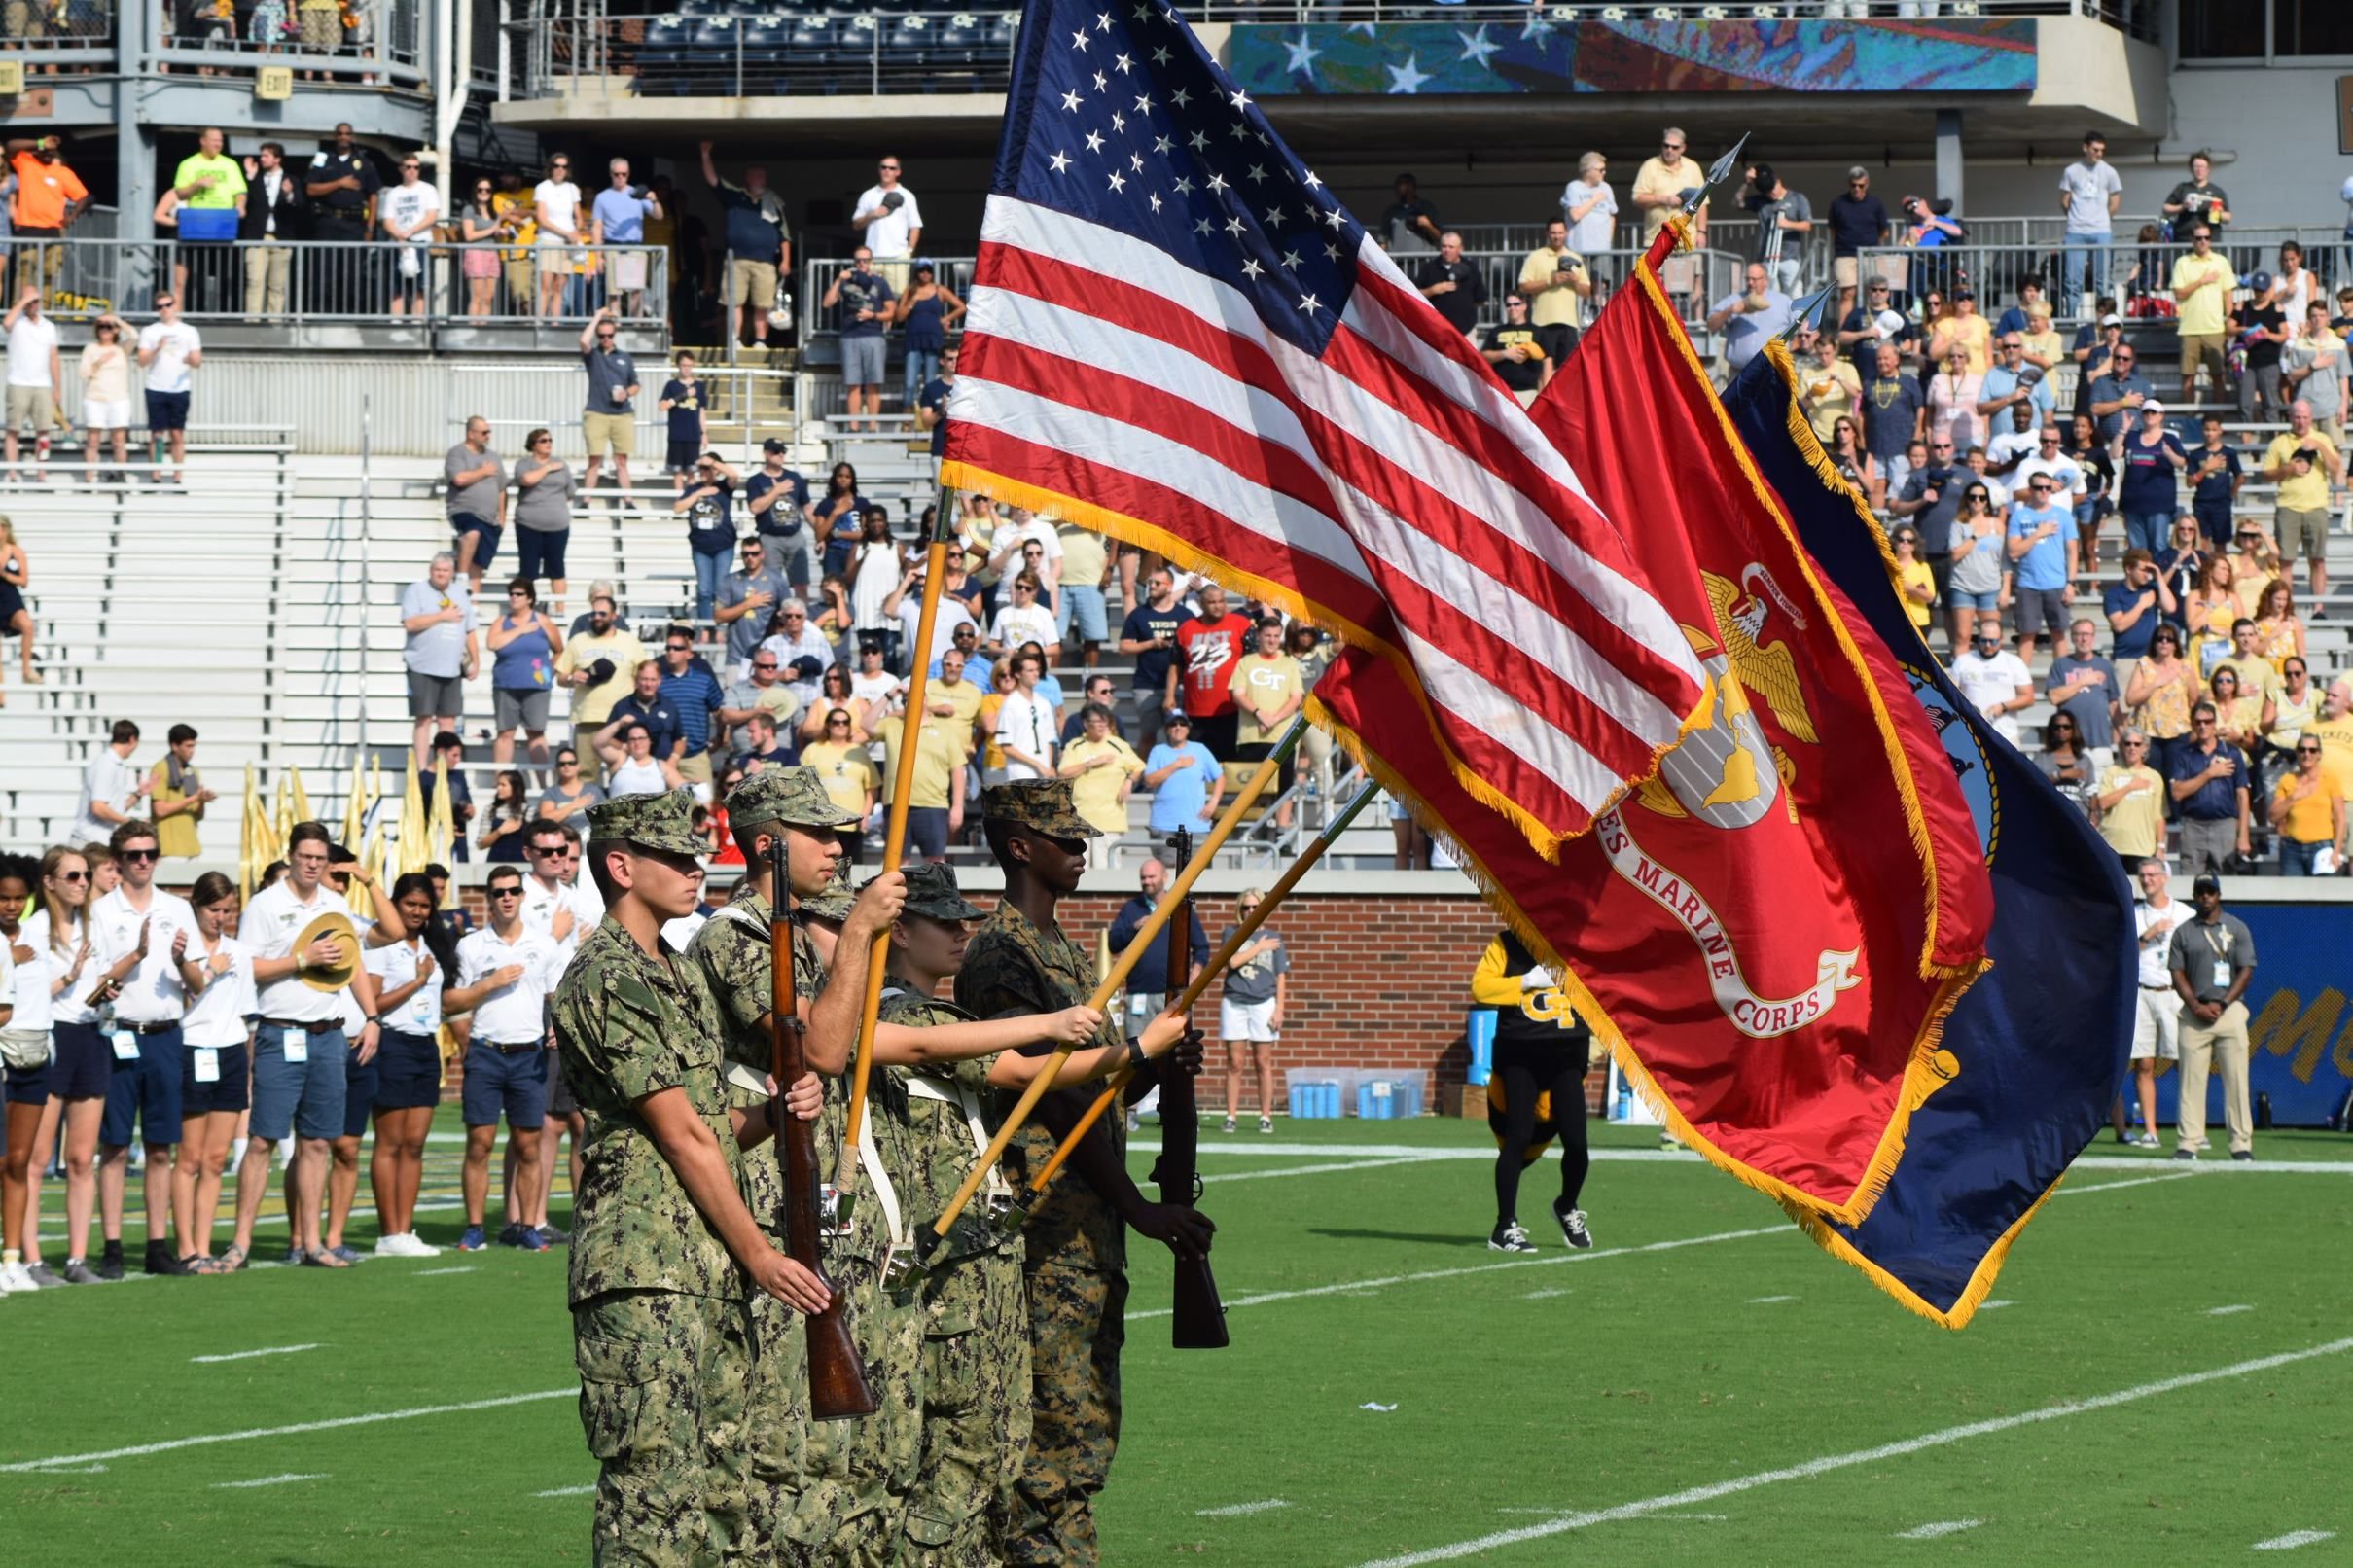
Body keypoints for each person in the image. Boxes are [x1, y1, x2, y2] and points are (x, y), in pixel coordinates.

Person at [554, 788, 834, 1562]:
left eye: (696, 856)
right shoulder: (607, 975)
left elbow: (711, 1127)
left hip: (704, 1260)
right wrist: (761, 1254)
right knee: (655, 1496)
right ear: (620, 866)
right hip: (645, 1266)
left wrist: (775, 1113)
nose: (695, 869)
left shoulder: (675, 972)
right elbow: (680, 1136)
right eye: (675, 858)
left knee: (721, 1491)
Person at [959, 779, 1213, 1567]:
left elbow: (1099, 1092)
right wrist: (1137, 1205)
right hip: (1044, 1219)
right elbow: (1051, 1093)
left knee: (1086, 1421)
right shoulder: (1001, 954)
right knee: (1052, 1430)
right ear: (1018, 847)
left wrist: (1154, 1067)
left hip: (1085, 1222)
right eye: (1064, 840)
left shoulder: (1066, 950)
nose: (1080, 851)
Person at [231, 822, 379, 1270]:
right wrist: (302, 959)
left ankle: (313, 1244)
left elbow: (353, 965)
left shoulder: (336, 903)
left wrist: (372, 1018)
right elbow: (247, 968)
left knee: (317, 1143)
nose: (313, 865)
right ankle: (240, 1244)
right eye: (306, 857)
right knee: (263, 1139)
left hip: (329, 1034)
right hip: (281, 1032)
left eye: (320, 859)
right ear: (291, 856)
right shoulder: (265, 904)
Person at [85, 821, 195, 1276]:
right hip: (117, 1033)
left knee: (161, 1148)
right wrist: (130, 959)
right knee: (113, 1147)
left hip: (166, 1033)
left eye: (150, 853)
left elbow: (196, 980)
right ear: (118, 861)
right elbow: (93, 981)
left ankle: (156, 1245)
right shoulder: (100, 911)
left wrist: (183, 960)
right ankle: (112, 1246)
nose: (144, 861)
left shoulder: (178, 908)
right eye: (134, 854)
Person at [444, 864, 560, 1251]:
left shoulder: (544, 944)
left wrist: (557, 1027)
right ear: (489, 899)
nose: (506, 898)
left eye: (512, 891)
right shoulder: (471, 945)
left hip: (529, 1055)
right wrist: (490, 983)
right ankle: (475, 1227)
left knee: (528, 1145)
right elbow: (451, 1001)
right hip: (486, 1052)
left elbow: (556, 996)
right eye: (499, 892)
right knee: (480, 1143)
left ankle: (527, 1225)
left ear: (523, 896)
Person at [1471, 928, 1594, 1254]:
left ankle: (1567, 1205)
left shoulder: (1577, 943)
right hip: (1521, 1055)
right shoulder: (1508, 943)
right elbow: (1480, 988)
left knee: (1578, 1143)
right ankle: (1504, 1226)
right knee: (1518, 1138)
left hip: (1566, 1056)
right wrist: (1525, 981)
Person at [356, 871, 446, 1258]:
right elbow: (373, 1002)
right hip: (393, 1044)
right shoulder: (382, 944)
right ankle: (388, 1232)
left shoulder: (430, 943)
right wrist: (417, 982)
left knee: (414, 1144)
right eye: (410, 903)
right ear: (395, 904)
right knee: (390, 1142)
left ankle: (405, 1231)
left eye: (424, 905)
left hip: (426, 1046)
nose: (417, 911)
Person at [2167, 873, 2256, 1162]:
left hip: (2230, 1011)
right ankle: (2188, 1143)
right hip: (2195, 1015)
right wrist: (2195, 1005)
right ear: (2194, 896)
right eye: (2201, 891)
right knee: (2190, 1082)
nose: (2206, 896)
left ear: (2219, 894)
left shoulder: (2236, 928)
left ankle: (2241, 1144)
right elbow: (2177, 972)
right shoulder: (2184, 932)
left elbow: (2246, 970)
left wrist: (2224, 1002)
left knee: (2237, 1080)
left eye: (2210, 891)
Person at [0, 851, 54, 1292]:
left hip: (34, 1055)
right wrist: (7, 959)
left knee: (19, 1162)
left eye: (19, 898)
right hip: (2, 1055)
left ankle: (13, 1259)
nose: (11, 906)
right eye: (3, 897)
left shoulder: (41, 936)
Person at [2112, 858, 2191, 1149]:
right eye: (2142, 875)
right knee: (2143, 1062)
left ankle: (2192, 1128)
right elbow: (2122, 952)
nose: (2147, 880)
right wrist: (2148, 934)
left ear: (2165, 877)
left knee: (2185, 1062)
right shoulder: (2135, 914)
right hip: (2142, 992)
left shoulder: (2184, 913)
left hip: (2173, 992)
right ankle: (2151, 1130)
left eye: (2152, 875)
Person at [699, 140, 792, 348]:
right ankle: (735, 340)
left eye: (762, 176)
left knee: (763, 303)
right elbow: (713, 180)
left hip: (766, 262)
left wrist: (786, 261)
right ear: (747, 178)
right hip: (737, 260)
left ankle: (760, 341)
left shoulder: (773, 202)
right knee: (735, 301)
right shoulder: (735, 196)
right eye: (756, 175)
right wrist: (705, 154)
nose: (760, 179)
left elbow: (784, 234)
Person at [1106, 856, 1206, 1042]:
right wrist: (1134, 927)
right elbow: (1113, 944)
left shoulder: (1180, 908)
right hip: (1138, 996)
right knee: (1137, 1050)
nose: (1147, 882)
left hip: (1172, 996)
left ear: (1165, 877)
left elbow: (1202, 948)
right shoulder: (1131, 909)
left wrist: (1193, 977)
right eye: (1143, 878)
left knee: (1174, 1048)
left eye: (1151, 877)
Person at [1215, 888, 1288, 1135]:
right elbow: (1232, 961)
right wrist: (1259, 946)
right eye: (1246, 907)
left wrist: (1280, 1008)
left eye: (1255, 907)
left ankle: (1265, 1116)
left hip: (1263, 1002)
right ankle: (1231, 1116)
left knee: (1263, 1062)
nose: (1250, 911)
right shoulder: (1231, 933)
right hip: (1235, 1002)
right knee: (1235, 1062)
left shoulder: (1274, 937)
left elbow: (1281, 976)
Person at [2261, 401, 2342, 611]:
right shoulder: (2279, 442)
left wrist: (2320, 447)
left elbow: (2336, 469)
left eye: (2305, 417)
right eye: (2297, 417)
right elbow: (2266, 475)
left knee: (2318, 560)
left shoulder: (2322, 438)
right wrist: (2288, 469)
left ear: (2311, 418)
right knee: (2286, 561)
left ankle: (2318, 609)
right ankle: (2286, 610)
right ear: (2290, 417)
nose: (2301, 422)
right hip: (2288, 507)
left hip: (2316, 507)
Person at [400, 552, 479, 767]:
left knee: (448, 720)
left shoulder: (460, 593)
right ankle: (422, 769)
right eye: (437, 570)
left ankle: (445, 767)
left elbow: (470, 629)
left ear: (452, 573)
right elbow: (410, 623)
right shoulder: (416, 590)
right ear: (430, 571)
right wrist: (441, 617)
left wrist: (475, 660)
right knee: (423, 718)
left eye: (445, 570)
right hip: (421, 665)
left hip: (451, 667)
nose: (441, 574)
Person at [554, 593, 645, 758]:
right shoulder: (577, 641)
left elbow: (642, 677)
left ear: (614, 616)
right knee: (585, 771)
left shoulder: (630, 642)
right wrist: (571, 678)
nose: (597, 617)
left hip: (621, 718)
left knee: (623, 768)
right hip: (587, 719)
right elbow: (560, 677)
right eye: (593, 613)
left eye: (602, 613)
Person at [487, 577, 563, 769]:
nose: (514, 597)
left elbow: (559, 650)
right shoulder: (501, 622)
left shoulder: (543, 621)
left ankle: (542, 782)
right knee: (505, 733)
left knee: (536, 733)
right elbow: (492, 643)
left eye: (519, 594)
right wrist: (521, 629)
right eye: (511, 594)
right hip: (505, 685)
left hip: (536, 687)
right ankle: (501, 780)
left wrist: (548, 674)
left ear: (530, 598)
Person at [1170, 583, 1251, 760]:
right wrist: (1169, 695)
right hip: (1196, 708)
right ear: (1201, 604)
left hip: (1231, 707)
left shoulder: (1241, 624)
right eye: (1212, 602)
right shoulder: (1186, 628)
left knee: (1229, 758)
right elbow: (1175, 664)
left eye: (1221, 601)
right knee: (1198, 759)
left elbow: (1253, 662)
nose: (1218, 606)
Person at [2168, 703, 2251, 875]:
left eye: (2208, 721)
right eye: (2198, 722)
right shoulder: (2184, 754)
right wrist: (2209, 774)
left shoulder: (2232, 753)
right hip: (2193, 825)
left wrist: (2243, 835)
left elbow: (2243, 795)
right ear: (2192, 724)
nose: (2203, 726)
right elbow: (2177, 792)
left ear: (2215, 723)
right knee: (2189, 881)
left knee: (2227, 881)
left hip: (2225, 824)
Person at [826, 246, 898, 432]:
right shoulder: (845, 281)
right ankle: (854, 426)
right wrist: (838, 280)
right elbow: (827, 302)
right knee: (853, 383)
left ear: (871, 261)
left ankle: (872, 426)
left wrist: (872, 315)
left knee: (873, 383)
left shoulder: (880, 282)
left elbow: (891, 312)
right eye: (858, 260)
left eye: (865, 260)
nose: (861, 263)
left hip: (873, 335)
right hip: (849, 336)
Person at [135, 292, 202, 485]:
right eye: (160, 306)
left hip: (180, 388)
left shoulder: (189, 331)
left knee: (177, 434)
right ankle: (155, 476)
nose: (165, 309)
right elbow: (141, 361)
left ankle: (177, 477)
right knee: (157, 434)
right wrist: (157, 348)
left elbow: (197, 361)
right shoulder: (150, 331)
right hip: (156, 387)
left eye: (168, 305)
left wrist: (190, 359)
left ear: (175, 305)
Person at [578, 307, 641, 510]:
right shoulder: (593, 355)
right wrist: (597, 316)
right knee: (594, 459)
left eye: (610, 335)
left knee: (621, 460)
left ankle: (629, 502)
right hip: (597, 412)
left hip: (622, 414)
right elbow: (583, 341)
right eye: (602, 335)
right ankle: (586, 501)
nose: (606, 339)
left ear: (615, 335)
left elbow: (636, 384)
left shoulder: (625, 357)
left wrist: (626, 393)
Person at [510, 427, 577, 614]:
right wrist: (547, 468)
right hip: (529, 525)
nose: (548, 444)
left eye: (550, 440)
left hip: (558, 525)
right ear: (533, 444)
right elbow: (527, 480)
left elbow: (571, 491)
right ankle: (526, 610)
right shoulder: (524, 463)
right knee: (528, 569)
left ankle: (560, 611)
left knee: (557, 568)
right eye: (543, 440)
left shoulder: (561, 464)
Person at [2057, 130, 2122, 317]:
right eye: (2095, 149)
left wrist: (2103, 218)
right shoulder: (2071, 171)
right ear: (2085, 148)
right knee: (2072, 280)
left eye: (2102, 150)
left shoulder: (2110, 172)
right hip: (2076, 231)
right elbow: (2064, 200)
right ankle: (2071, 319)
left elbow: (2115, 200)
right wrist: (2076, 218)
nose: (2099, 154)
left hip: (2101, 231)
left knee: (2103, 280)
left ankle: (2105, 320)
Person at [657, 625, 728, 796]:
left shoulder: (704, 680)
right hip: (665, 757)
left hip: (696, 756)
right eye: (669, 648)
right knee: (666, 809)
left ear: (688, 653)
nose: (671, 651)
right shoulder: (658, 682)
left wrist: (720, 736)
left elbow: (719, 711)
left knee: (703, 805)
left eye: (677, 648)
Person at [672, 451, 740, 624]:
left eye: (706, 468)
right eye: (700, 468)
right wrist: (699, 494)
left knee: (719, 589)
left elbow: (734, 475)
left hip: (723, 546)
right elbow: (678, 508)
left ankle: (719, 625)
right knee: (704, 590)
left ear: (715, 470)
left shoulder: (724, 487)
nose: (702, 471)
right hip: (700, 547)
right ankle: (705, 627)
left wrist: (713, 463)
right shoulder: (693, 489)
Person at [3, 283, 62, 480]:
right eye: (29, 301)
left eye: (35, 300)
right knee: (13, 429)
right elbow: (6, 323)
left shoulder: (49, 327)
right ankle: (12, 472)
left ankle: (41, 472)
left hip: (42, 385)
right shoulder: (17, 322)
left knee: (43, 431)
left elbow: (54, 358)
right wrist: (23, 301)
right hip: (18, 383)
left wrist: (57, 387)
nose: (32, 304)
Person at [444, 415, 508, 595]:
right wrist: (484, 471)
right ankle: (461, 576)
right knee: (472, 532)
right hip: (464, 509)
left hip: (489, 517)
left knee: (478, 564)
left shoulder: (493, 457)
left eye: (489, 432)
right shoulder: (457, 453)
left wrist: (502, 517)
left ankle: (474, 604)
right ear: (471, 433)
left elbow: (501, 488)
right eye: (484, 432)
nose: (488, 436)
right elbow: (459, 479)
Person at [589, 158, 661, 318]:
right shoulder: (602, 197)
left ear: (629, 174)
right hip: (612, 247)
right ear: (611, 174)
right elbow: (597, 227)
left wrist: (655, 200)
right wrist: (598, 256)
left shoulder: (638, 193)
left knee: (636, 291)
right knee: (613, 293)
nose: (620, 177)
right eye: (617, 174)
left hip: (634, 246)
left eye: (624, 174)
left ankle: (636, 324)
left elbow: (658, 216)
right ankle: (616, 325)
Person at [894, 262, 964, 417]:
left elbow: (961, 307)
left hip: (933, 340)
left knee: (930, 381)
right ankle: (907, 418)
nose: (925, 274)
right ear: (916, 273)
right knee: (910, 382)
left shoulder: (939, 290)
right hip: (913, 341)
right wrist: (912, 302)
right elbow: (899, 317)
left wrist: (945, 319)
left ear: (932, 273)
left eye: (928, 270)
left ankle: (928, 416)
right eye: (922, 271)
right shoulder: (910, 291)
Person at [2268, 734, 2344, 876]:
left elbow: (2340, 818)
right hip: (2292, 848)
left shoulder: (2330, 780)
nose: (2307, 754)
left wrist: (2337, 851)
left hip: (2321, 848)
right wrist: (2293, 798)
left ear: (2319, 754)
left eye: (2312, 750)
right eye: (2302, 750)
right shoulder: (2287, 780)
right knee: (2291, 891)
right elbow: (2273, 816)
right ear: (2297, 753)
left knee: (2323, 890)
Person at [745, 438, 815, 591]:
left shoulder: (795, 478)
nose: (781, 455)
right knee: (769, 586)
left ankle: (800, 608)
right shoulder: (756, 481)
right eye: (776, 452)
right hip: (770, 538)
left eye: (783, 451)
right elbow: (755, 508)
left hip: (795, 536)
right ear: (766, 454)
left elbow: (807, 508)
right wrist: (776, 491)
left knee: (801, 584)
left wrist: (820, 533)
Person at [377, 152, 440, 320]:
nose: (412, 171)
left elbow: (431, 216)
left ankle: (417, 321)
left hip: (421, 242)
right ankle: (396, 320)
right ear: (401, 169)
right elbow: (387, 221)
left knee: (420, 287)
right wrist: (400, 237)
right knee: (397, 287)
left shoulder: (428, 189)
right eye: (409, 167)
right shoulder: (394, 193)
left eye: (416, 168)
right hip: (398, 244)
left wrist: (410, 232)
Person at [68, 717, 147, 849]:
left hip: (97, 841)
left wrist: (138, 794)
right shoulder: (107, 764)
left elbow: (112, 809)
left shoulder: (114, 763)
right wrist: (130, 822)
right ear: (132, 739)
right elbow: (98, 808)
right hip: (90, 841)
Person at [145, 722, 218, 860]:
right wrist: (193, 798)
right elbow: (160, 810)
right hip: (167, 849)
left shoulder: (192, 772)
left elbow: (198, 816)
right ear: (174, 746)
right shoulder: (161, 768)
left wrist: (202, 800)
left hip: (191, 849)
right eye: (188, 746)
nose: (192, 750)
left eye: (193, 746)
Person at [1706, 262, 1794, 375]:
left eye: (1754, 279)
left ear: (1765, 280)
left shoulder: (1783, 302)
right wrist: (1730, 310)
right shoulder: (1734, 300)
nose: (1750, 283)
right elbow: (1711, 325)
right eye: (1747, 279)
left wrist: (1791, 350)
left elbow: (1804, 326)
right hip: (1739, 373)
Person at [1827, 165, 1890, 321]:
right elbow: (1833, 229)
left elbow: (1884, 230)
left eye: (1860, 185)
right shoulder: (1838, 203)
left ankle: (1871, 329)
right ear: (1848, 184)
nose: (1857, 189)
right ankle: (1845, 332)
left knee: (1873, 293)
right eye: (1853, 185)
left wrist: (1875, 246)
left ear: (1867, 184)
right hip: (1845, 254)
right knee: (1847, 294)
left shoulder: (1876, 204)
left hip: (1870, 254)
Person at [1740, 161, 1812, 296]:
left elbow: (1807, 225)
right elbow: (1737, 203)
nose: (1771, 194)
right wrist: (1746, 183)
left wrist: (1788, 224)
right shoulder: (1761, 200)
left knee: (1795, 297)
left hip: (1789, 259)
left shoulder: (1797, 198)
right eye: (1767, 192)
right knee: (1770, 298)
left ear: (1778, 181)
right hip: (1766, 260)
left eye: (1772, 189)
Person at [456, 175, 513, 318]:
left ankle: (483, 326)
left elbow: (494, 234)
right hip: (476, 253)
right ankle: (473, 327)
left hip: (492, 253)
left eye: (488, 190)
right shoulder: (469, 209)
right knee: (477, 297)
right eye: (480, 189)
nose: (484, 192)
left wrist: (501, 232)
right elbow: (469, 236)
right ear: (475, 191)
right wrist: (493, 228)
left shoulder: (494, 212)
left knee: (488, 298)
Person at [1414, 232, 1486, 339]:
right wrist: (1432, 290)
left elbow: (1480, 299)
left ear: (1460, 248)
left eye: (1451, 247)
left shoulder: (1471, 267)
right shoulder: (1429, 268)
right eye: (1444, 246)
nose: (1447, 250)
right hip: (1436, 330)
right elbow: (1414, 295)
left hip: (1466, 331)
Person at [656, 351, 706, 479]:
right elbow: (662, 406)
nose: (687, 368)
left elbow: (702, 411)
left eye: (689, 365)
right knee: (677, 472)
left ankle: (690, 493)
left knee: (692, 472)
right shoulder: (671, 385)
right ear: (678, 365)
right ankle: (679, 493)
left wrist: (704, 433)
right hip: (676, 435)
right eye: (684, 365)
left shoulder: (699, 386)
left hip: (693, 436)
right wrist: (683, 395)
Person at [1559, 152, 1616, 260]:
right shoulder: (1573, 187)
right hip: (1579, 249)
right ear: (1588, 170)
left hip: (1603, 250)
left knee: (1603, 272)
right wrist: (1594, 200)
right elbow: (1575, 215)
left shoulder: (1606, 188)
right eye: (1601, 170)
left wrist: (1608, 240)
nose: (1604, 172)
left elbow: (1612, 215)